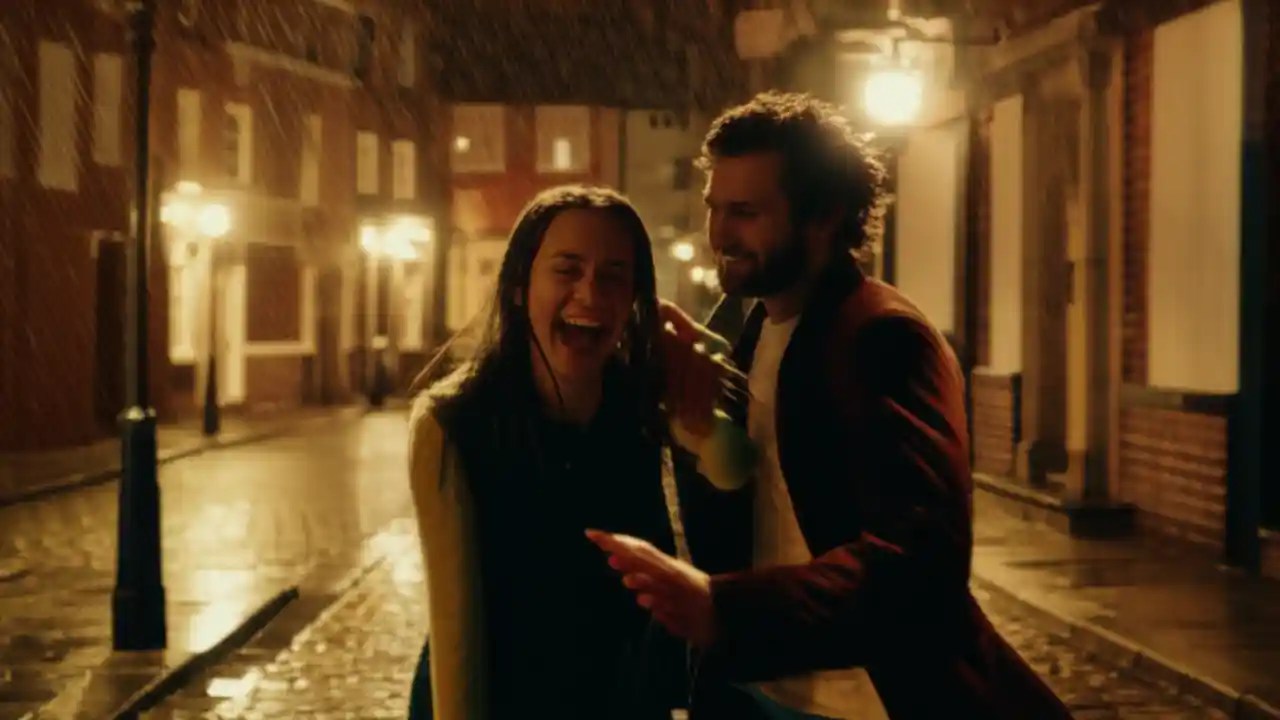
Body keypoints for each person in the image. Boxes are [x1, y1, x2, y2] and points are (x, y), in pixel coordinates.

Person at [588, 92, 1073, 720]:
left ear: (823, 217)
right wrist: (696, 425)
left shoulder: (882, 337)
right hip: (759, 692)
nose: (718, 234)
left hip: (866, 699)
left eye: (745, 212)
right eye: (714, 208)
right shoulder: (746, 326)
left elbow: (920, 559)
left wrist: (722, 605)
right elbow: (748, 503)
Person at [406, 185, 751, 719]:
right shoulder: (453, 424)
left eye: (614, 275)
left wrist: (701, 391)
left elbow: (734, 474)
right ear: (520, 286)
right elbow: (456, 635)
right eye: (567, 270)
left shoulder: (640, 402)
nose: (590, 293)